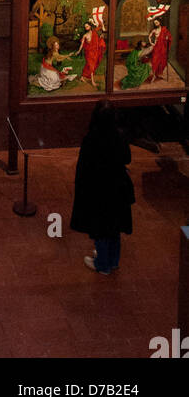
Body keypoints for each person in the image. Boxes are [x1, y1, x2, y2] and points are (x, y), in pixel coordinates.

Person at [70, 100, 135, 274]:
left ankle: (102, 264)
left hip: (98, 189)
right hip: (118, 187)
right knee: (114, 227)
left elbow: (84, 166)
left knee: (100, 228)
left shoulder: (91, 138)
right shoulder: (119, 135)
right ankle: (113, 260)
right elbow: (127, 158)